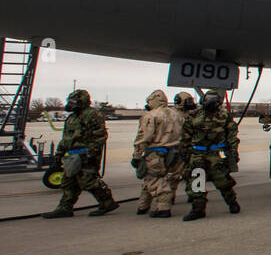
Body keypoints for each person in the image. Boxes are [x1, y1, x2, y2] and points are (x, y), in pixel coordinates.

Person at [42, 89, 119, 218]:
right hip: (72, 155)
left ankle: (107, 202)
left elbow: (100, 136)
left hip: (86, 155)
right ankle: (65, 208)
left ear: (81, 101)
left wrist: (91, 153)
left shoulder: (92, 115)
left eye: (73, 101)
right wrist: (59, 154)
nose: (71, 104)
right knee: (68, 182)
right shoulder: (71, 118)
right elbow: (66, 138)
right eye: (70, 101)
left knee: (89, 181)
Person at [182, 89, 240, 221]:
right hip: (198, 153)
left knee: (222, 180)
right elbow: (185, 135)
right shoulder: (193, 115)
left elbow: (232, 135)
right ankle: (198, 209)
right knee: (197, 182)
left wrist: (233, 151)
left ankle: (232, 202)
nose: (210, 101)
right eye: (208, 98)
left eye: (213, 98)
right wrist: (184, 152)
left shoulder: (224, 116)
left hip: (215, 154)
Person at [132, 88, 185, 218]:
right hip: (174, 152)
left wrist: (137, 155)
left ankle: (163, 207)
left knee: (154, 179)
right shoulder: (177, 115)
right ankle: (143, 206)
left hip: (155, 152)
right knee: (152, 177)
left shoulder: (150, 115)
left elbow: (143, 137)